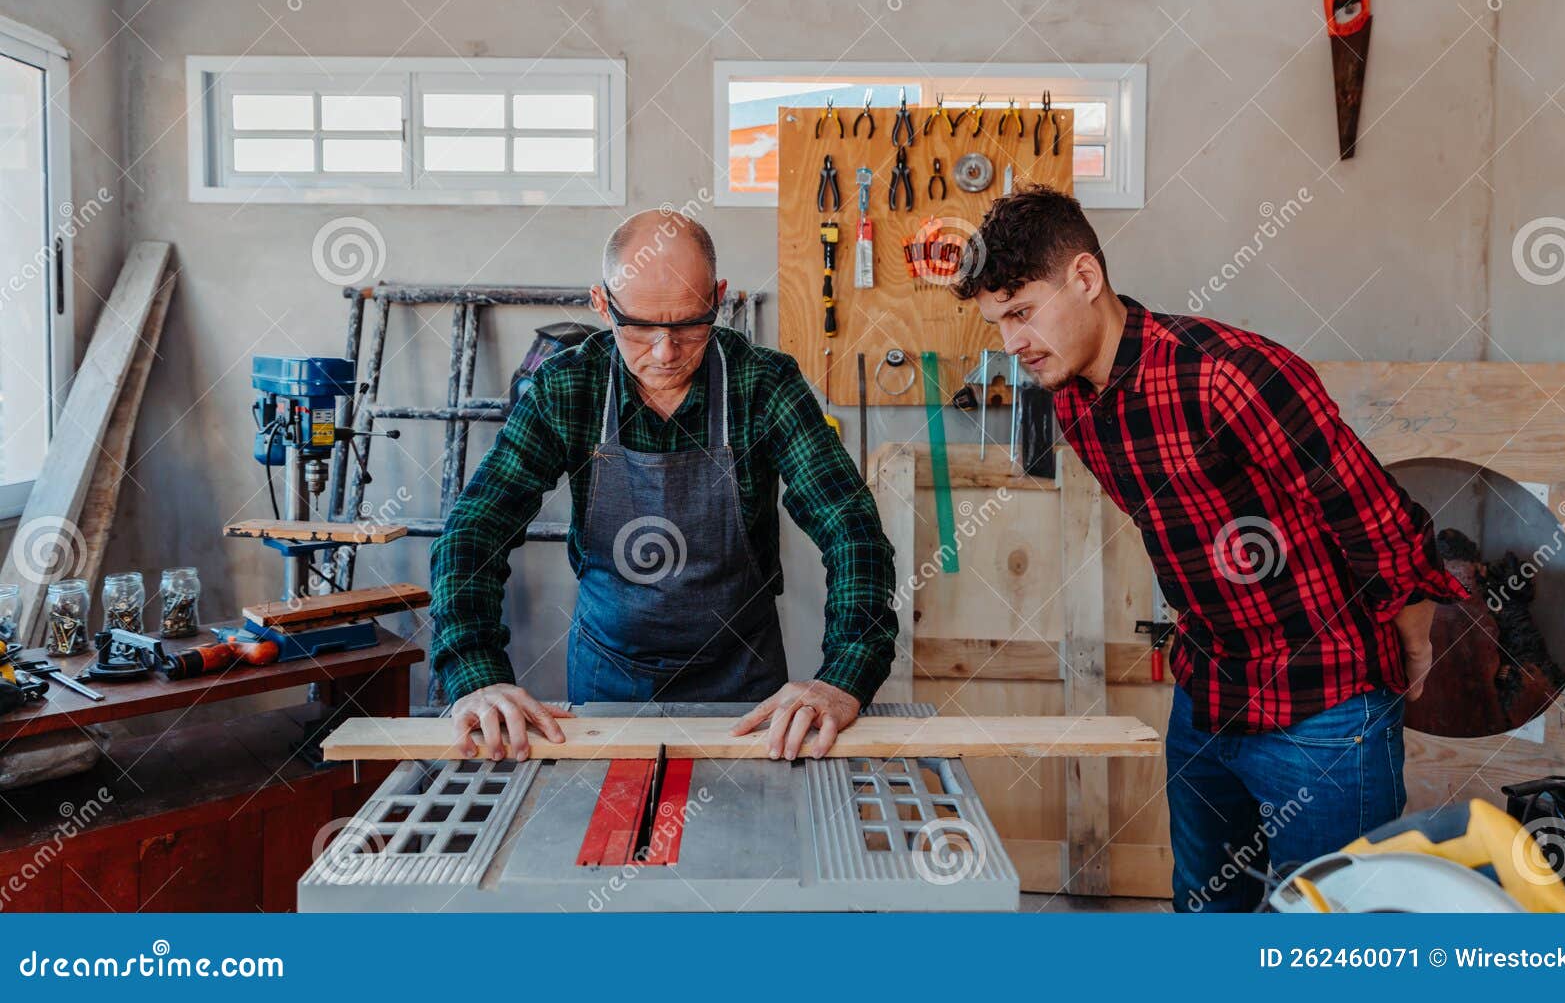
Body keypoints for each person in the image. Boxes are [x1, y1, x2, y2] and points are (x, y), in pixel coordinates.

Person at [953, 185, 1469, 911]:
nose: (1011, 344)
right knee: (1205, 908)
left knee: (1332, 935)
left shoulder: (1229, 376)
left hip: (1323, 708)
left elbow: (1375, 513)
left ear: (1086, 278)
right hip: (1209, 697)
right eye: (996, 323)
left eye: (1020, 312)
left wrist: (1413, 630)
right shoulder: (1071, 399)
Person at [429, 211, 898, 764]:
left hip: (743, 685)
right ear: (603, 304)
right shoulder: (566, 388)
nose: (665, 352)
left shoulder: (765, 385)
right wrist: (475, 674)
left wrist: (844, 677)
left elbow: (853, 532)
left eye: (689, 326)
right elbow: (475, 531)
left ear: (719, 299)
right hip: (607, 679)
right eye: (640, 327)